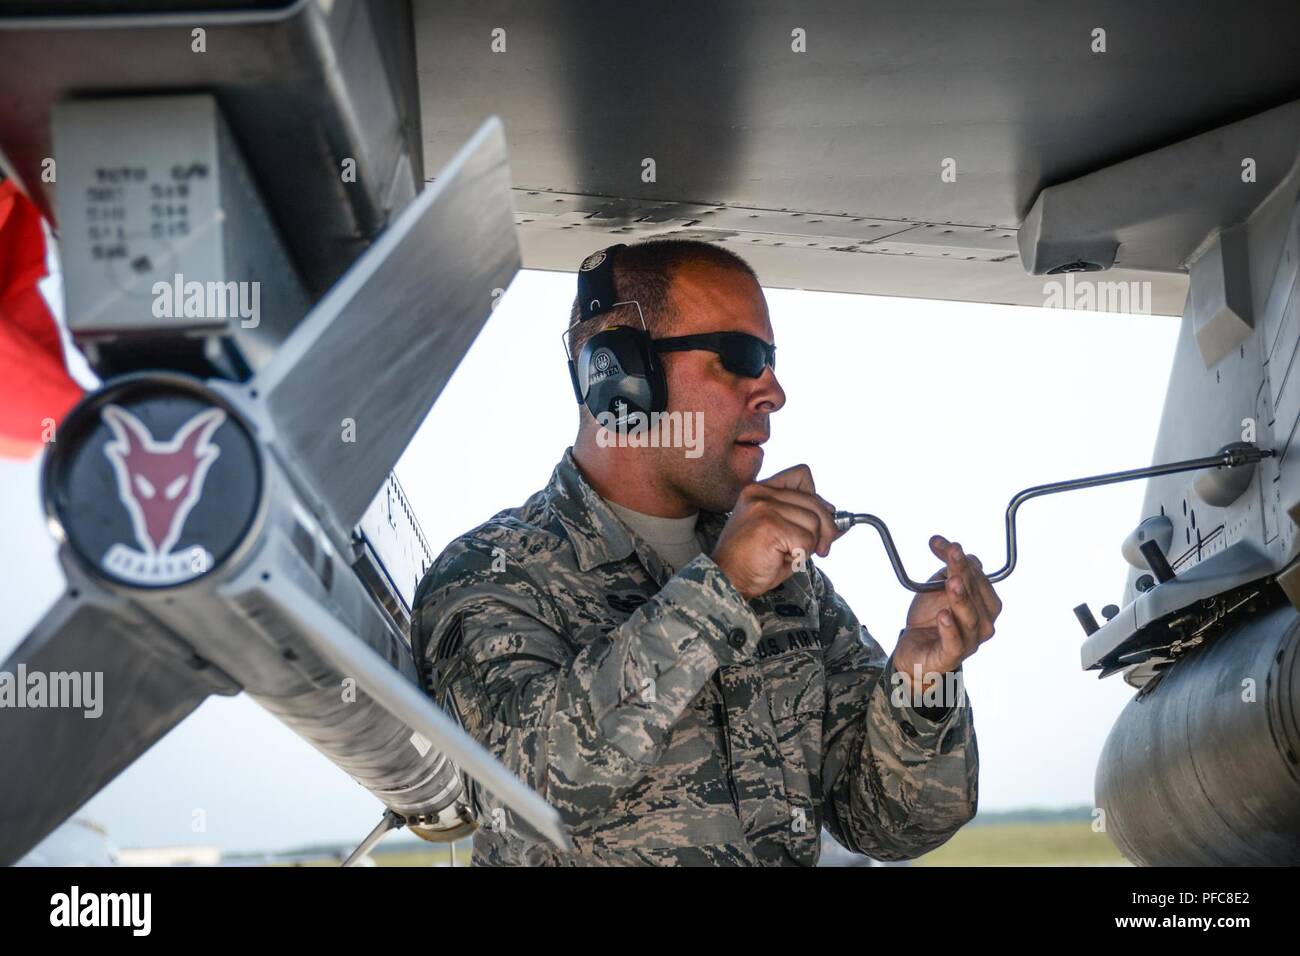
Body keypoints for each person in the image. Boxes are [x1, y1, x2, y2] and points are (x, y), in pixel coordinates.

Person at [412, 239, 1001, 866]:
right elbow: (524, 789)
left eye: (770, 361)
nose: (773, 392)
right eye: (740, 357)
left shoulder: (790, 585)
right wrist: (719, 591)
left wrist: (923, 681)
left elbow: (896, 826)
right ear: (619, 377)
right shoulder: (492, 574)